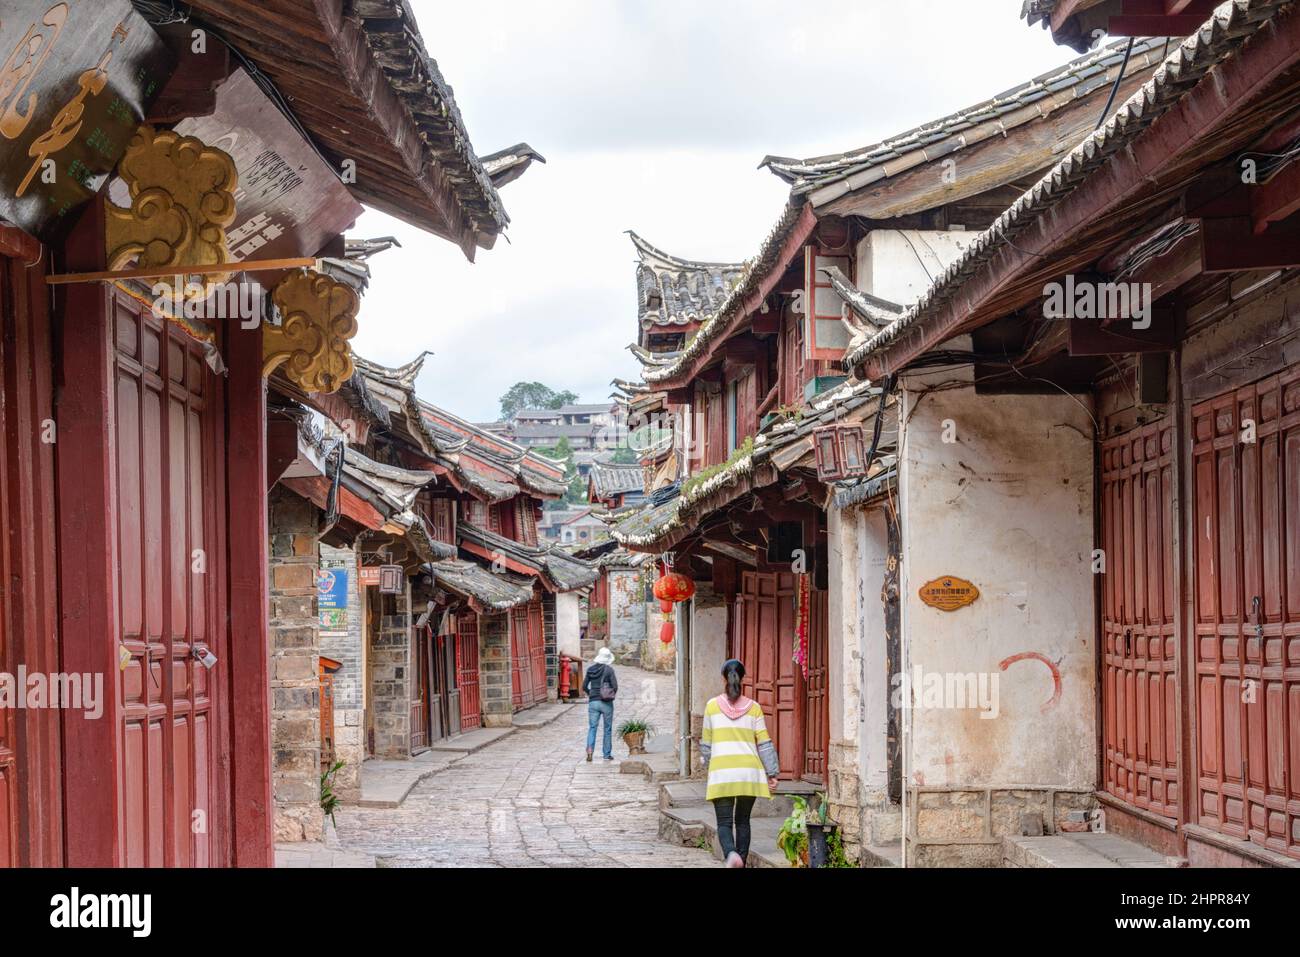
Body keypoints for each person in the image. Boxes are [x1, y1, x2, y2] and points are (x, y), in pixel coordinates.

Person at [699, 659, 779, 867]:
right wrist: (772, 773)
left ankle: (731, 855)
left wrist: (709, 767)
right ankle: (741, 860)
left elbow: (706, 745)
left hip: (723, 772)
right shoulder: (754, 708)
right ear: (743, 678)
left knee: (724, 822)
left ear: (723, 678)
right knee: (743, 821)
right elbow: (764, 743)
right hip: (749, 772)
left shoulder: (711, 706)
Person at [582, 646, 618, 762]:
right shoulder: (609, 670)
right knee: (607, 729)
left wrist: (591, 693)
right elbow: (615, 686)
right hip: (606, 703)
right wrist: (610, 695)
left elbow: (584, 686)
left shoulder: (590, 669)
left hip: (593, 702)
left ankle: (590, 751)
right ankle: (606, 754)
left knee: (592, 728)